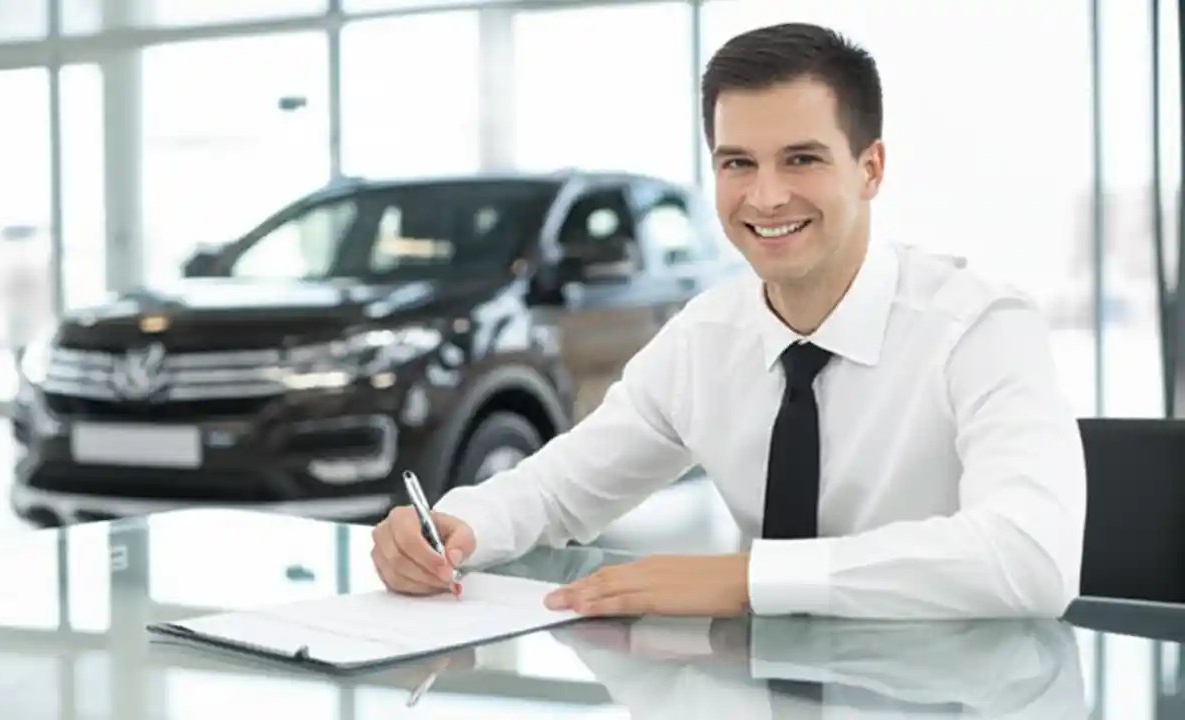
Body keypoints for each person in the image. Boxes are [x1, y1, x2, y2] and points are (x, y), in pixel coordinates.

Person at [370, 22, 1087, 619]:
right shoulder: (704, 338)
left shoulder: (982, 327)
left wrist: (747, 581)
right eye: (737, 162)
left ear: (870, 169)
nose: (765, 197)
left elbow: (1031, 557)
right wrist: (458, 529)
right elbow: (558, 489)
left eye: (801, 159)